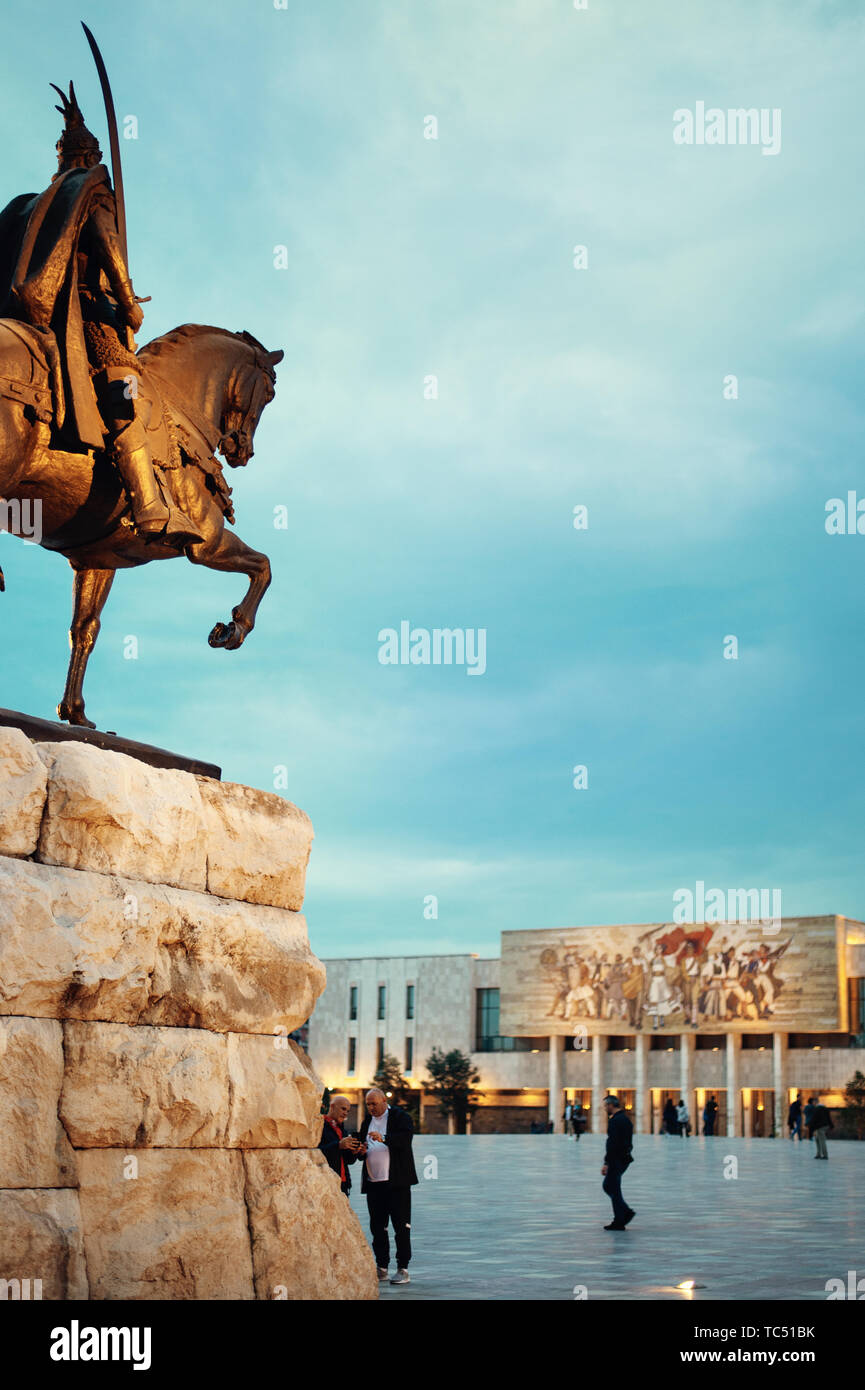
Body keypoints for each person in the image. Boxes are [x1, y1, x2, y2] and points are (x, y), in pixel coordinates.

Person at [0, 83, 203, 546]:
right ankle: (150, 503)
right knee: (127, 389)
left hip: (26, 316)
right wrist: (129, 303)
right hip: (86, 319)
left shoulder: (27, 206)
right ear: (90, 157)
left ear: (60, 158)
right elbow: (109, 247)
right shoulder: (91, 190)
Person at [359, 1087, 418, 1284]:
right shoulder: (367, 1121)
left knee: (401, 1226)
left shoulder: (400, 1117)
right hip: (374, 1183)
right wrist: (359, 1150)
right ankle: (381, 1267)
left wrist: (383, 1138)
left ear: (384, 1101)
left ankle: (403, 1268)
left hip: (397, 1184)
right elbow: (361, 1145)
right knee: (377, 1227)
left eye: (374, 1103)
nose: (371, 1107)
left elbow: (405, 1140)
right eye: (368, 1104)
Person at [601, 1094, 635, 1231]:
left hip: (616, 1159)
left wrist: (606, 1162)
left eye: (605, 1106)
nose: (604, 1109)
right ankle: (623, 1215)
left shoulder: (615, 1121)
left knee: (610, 1186)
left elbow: (612, 1144)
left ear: (611, 1105)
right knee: (611, 1186)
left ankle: (622, 1216)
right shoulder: (625, 1119)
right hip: (623, 1158)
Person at [318, 1094, 362, 1196]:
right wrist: (338, 1145)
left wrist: (354, 1152)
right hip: (326, 1183)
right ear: (332, 1106)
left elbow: (348, 1161)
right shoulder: (319, 1126)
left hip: (343, 1185)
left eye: (347, 1111)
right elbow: (315, 1152)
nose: (345, 1113)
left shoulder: (343, 1130)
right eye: (343, 1109)